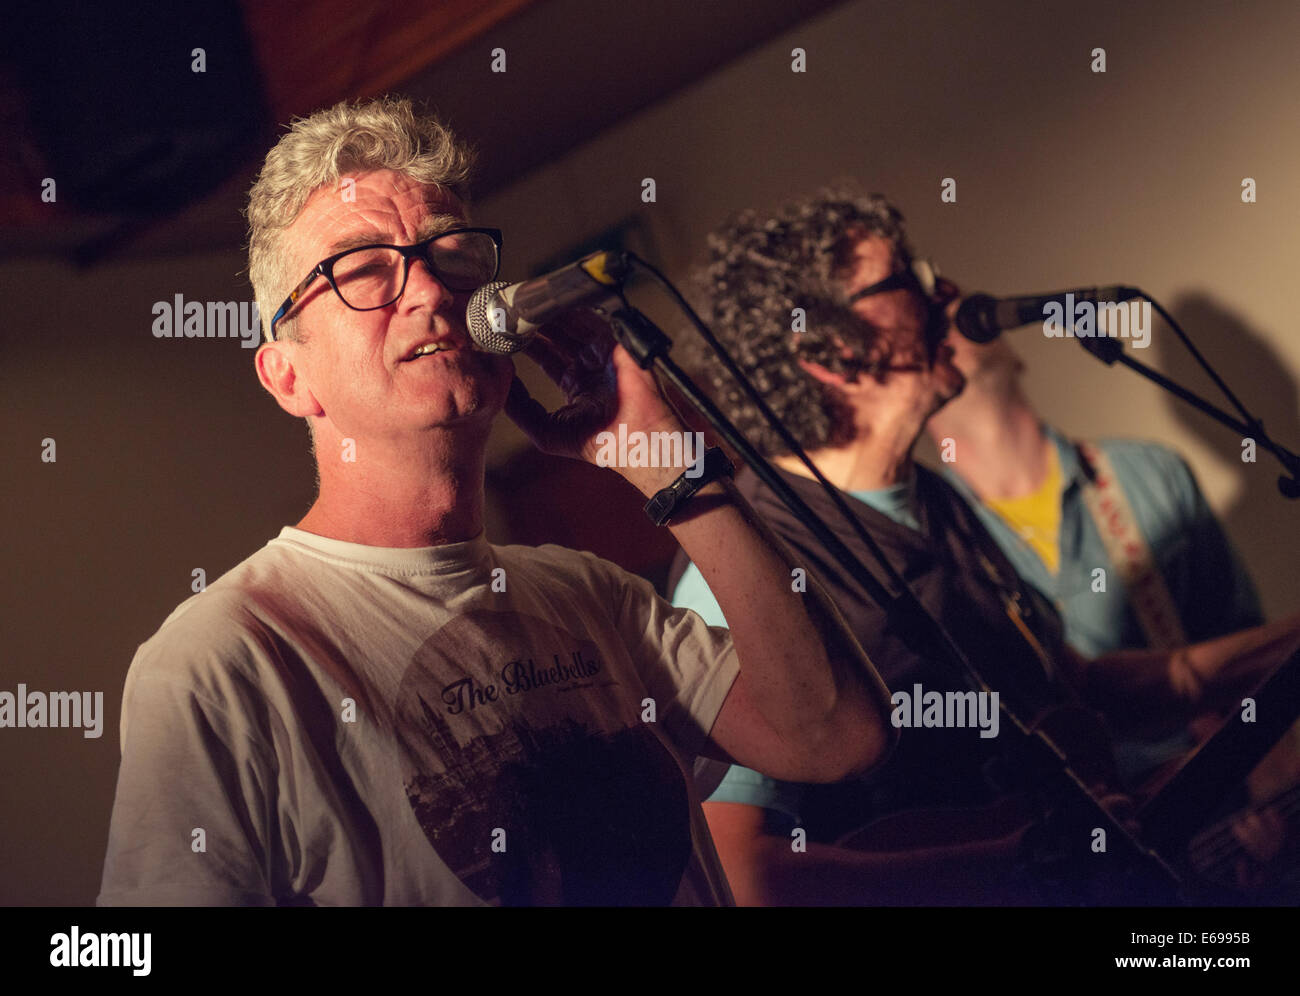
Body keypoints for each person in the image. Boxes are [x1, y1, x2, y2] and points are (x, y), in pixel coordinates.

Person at [96, 98, 896, 907]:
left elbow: (835, 733)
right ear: (286, 376)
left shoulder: (591, 598)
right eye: (365, 267)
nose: (428, 290)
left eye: (451, 254)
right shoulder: (224, 659)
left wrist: (671, 471)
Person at [670, 189, 1300, 904]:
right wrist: (1008, 861)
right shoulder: (743, 566)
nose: (947, 292)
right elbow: (744, 874)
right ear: (831, 350)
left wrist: (1282, 646)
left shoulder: (936, 501)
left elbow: (1076, 689)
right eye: (906, 278)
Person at [924, 334, 1265, 780]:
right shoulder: (934, 542)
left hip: (1223, 804)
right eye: (931, 317)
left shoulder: (1148, 472)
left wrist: (1270, 776)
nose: (947, 312)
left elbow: (1251, 650)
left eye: (964, 307)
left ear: (1014, 353)